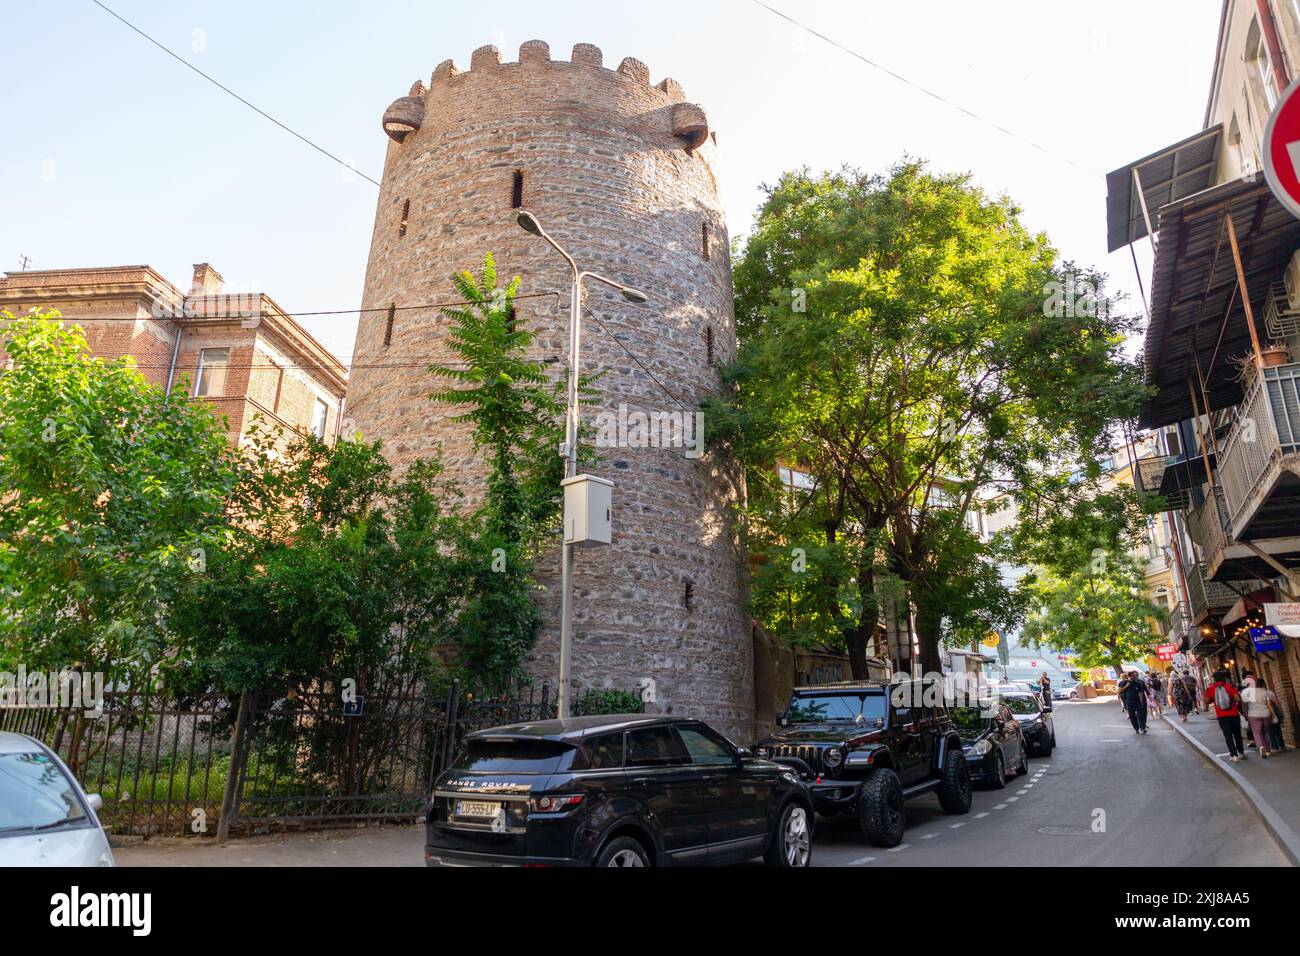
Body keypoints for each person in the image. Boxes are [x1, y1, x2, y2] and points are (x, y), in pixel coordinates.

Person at [1205, 670, 1245, 762]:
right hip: (1234, 714)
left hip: (1221, 716)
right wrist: (1231, 698)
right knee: (1237, 734)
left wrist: (1214, 700)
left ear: (1214, 679)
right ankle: (1241, 753)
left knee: (1228, 735)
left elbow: (1207, 701)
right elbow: (1238, 699)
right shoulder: (1229, 687)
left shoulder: (1210, 689)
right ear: (1224, 678)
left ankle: (1233, 755)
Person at [1243, 678, 1282, 759]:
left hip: (1253, 715)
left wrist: (1246, 713)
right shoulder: (1264, 691)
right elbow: (1269, 704)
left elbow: (1245, 705)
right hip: (1266, 714)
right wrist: (1274, 714)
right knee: (1266, 732)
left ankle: (1261, 746)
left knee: (1257, 732)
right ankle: (1268, 749)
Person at [1117, 671, 1149, 735]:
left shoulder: (1137, 683)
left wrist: (1142, 700)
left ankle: (1142, 728)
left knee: (1140, 715)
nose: (1135, 677)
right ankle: (1136, 728)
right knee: (1132, 716)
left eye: (1135, 676)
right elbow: (1119, 691)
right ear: (1129, 676)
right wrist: (1127, 685)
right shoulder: (1123, 682)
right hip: (1128, 702)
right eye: (1133, 676)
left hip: (1138, 702)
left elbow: (1140, 692)